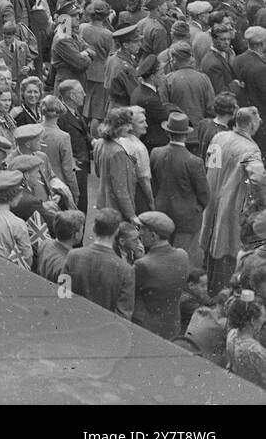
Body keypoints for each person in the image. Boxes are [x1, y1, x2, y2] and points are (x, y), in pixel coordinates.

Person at [200, 107, 265, 294]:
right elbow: (258, 179)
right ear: (252, 125)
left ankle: (209, 291)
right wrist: (261, 203)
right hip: (232, 205)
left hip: (211, 201)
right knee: (227, 252)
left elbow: (210, 166)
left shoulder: (220, 137)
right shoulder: (250, 150)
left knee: (210, 248)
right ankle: (219, 295)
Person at [149, 112, 210, 266]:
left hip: (162, 211)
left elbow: (153, 184)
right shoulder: (194, 161)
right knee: (182, 258)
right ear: (186, 135)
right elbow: (204, 194)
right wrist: (197, 207)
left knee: (161, 255)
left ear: (167, 132)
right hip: (187, 216)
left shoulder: (156, 153)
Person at [61, 208, 135, 319]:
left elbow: (62, 297)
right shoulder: (126, 270)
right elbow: (123, 315)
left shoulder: (73, 256)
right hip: (105, 331)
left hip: (75, 324)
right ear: (116, 231)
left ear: (94, 228)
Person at [132, 211, 189, 340]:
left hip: (146, 329)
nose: (139, 234)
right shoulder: (182, 255)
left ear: (153, 236)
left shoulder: (142, 265)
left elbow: (129, 292)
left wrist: (140, 260)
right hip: (172, 325)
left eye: (142, 230)